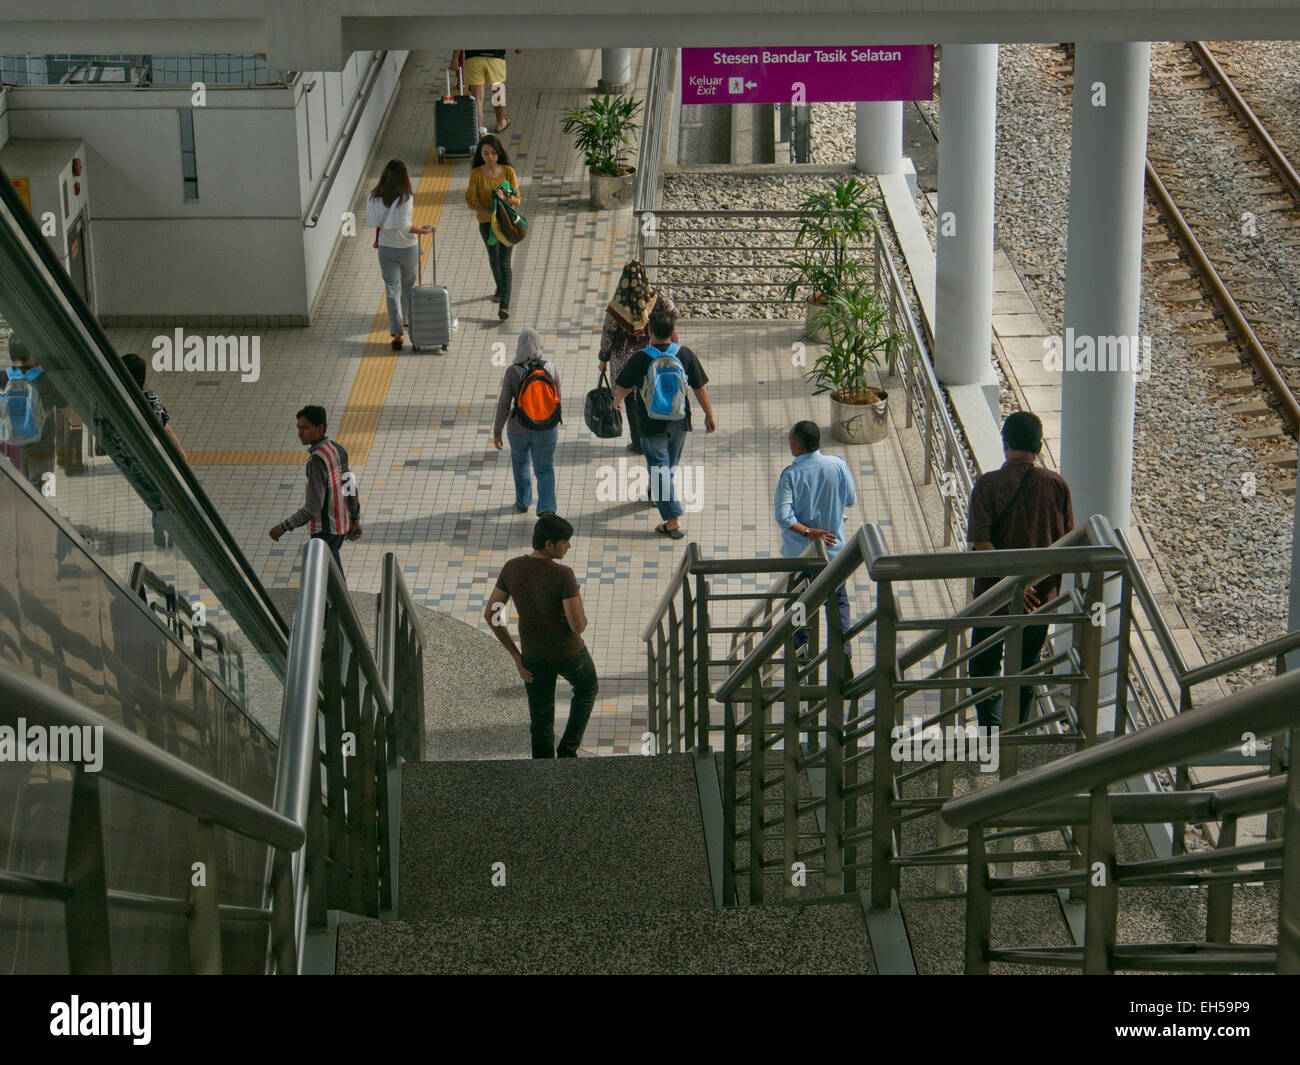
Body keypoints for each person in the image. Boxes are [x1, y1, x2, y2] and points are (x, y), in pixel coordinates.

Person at [966, 410, 1074, 728]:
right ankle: (1016, 731)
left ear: (1005, 444)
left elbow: (981, 543)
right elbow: (1069, 542)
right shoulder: (1057, 486)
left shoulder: (987, 485)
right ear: (1039, 447)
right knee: (1027, 668)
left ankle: (993, 730)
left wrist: (1012, 585)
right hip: (1040, 601)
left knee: (983, 666)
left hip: (994, 599)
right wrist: (1028, 585)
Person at [484, 513, 597, 759]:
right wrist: (576, 596)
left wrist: (516, 656)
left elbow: (491, 614)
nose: (569, 546)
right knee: (587, 689)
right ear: (549, 544)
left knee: (541, 720)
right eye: (565, 542)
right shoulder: (564, 574)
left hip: (533, 657)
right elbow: (578, 625)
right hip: (570, 654)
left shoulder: (511, 568)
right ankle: (568, 750)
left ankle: (543, 770)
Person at [612, 308, 716, 540]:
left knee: (659, 469)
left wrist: (617, 402)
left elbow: (623, 385)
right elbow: (700, 388)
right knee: (666, 467)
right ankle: (656, 493)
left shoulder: (642, 357)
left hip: (651, 423)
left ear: (649, 331)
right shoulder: (684, 354)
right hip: (679, 422)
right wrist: (709, 415)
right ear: (673, 331)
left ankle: (672, 520)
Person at [774, 420, 857, 664]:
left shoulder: (791, 475)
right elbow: (850, 499)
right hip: (833, 553)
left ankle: (801, 652)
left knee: (800, 604)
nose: (789, 444)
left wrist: (809, 531)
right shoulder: (838, 465)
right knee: (838, 601)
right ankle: (842, 650)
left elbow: (783, 517)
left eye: (790, 440)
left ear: (799, 445)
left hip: (802, 556)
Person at [268, 405, 362, 576]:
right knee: (329, 578)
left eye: (305, 428)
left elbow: (313, 506)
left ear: (319, 428)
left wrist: (284, 527)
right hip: (341, 527)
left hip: (324, 530)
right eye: (299, 428)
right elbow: (350, 487)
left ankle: (338, 604)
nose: (300, 433)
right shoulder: (337, 449)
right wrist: (355, 519)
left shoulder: (316, 461)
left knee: (329, 580)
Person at [598, 260, 679, 454]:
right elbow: (675, 313)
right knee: (653, 394)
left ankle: (638, 442)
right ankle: (658, 435)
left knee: (631, 400)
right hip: (653, 354)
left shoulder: (616, 307)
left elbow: (608, 334)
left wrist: (603, 358)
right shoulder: (657, 298)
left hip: (625, 360)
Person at [364, 159, 434, 351]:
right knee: (409, 287)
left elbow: (371, 222)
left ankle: (397, 333)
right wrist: (424, 230)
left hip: (386, 248)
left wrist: (387, 224)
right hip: (407, 248)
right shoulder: (405, 198)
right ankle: (410, 324)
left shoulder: (373, 197)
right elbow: (404, 225)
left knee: (392, 290)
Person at [493, 328, 560, 516]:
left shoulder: (512, 372)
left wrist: (497, 431)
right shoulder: (550, 368)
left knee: (520, 464)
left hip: (518, 429)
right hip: (546, 428)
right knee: (545, 468)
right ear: (539, 345)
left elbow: (505, 404)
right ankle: (547, 507)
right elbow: (557, 400)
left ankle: (523, 502)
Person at [465, 135, 521, 321]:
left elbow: (517, 198)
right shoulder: (476, 175)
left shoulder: (508, 172)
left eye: (493, 153)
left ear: (499, 153)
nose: (489, 157)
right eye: (485, 153)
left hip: (507, 223)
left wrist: (505, 199)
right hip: (487, 223)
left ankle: (504, 304)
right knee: (494, 257)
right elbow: (471, 200)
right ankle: (500, 286)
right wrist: (490, 214)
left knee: (505, 262)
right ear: (480, 154)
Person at [4, 336, 67, 491]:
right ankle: (48, 509)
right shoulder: (45, 380)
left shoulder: (5, 377)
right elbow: (67, 409)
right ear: (32, 355)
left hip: (14, 440)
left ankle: (28, 505)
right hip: (42, 443)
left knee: (22, 480)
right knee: (45, 481)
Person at [451, 49, 517, 135]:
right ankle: (500, 123)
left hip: (473, 58)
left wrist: (455, 58)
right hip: (496, 58)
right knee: (498, 91)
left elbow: (461, 37)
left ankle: (478, 131)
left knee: (477, 99)